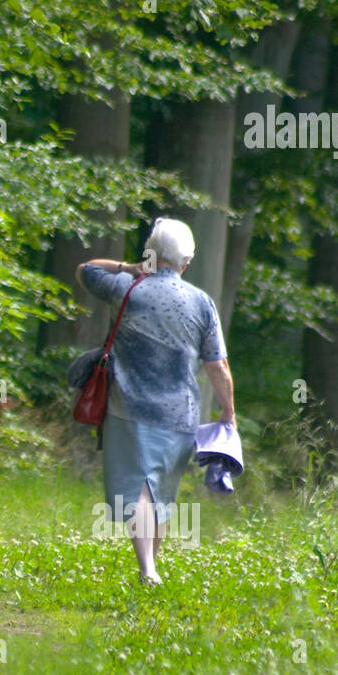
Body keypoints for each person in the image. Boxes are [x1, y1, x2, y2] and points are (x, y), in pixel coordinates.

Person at [76, 217, 236, 585]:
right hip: (179, 414)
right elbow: (218, 366)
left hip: (127, 407)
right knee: (159, 491)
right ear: (186, 261)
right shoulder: (202, 303)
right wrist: (228, 412)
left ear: (151, 253)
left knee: (140, 488)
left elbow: (85, 270)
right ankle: (149, 567)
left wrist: (129, 268)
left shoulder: (129, 289)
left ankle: (148, 568)